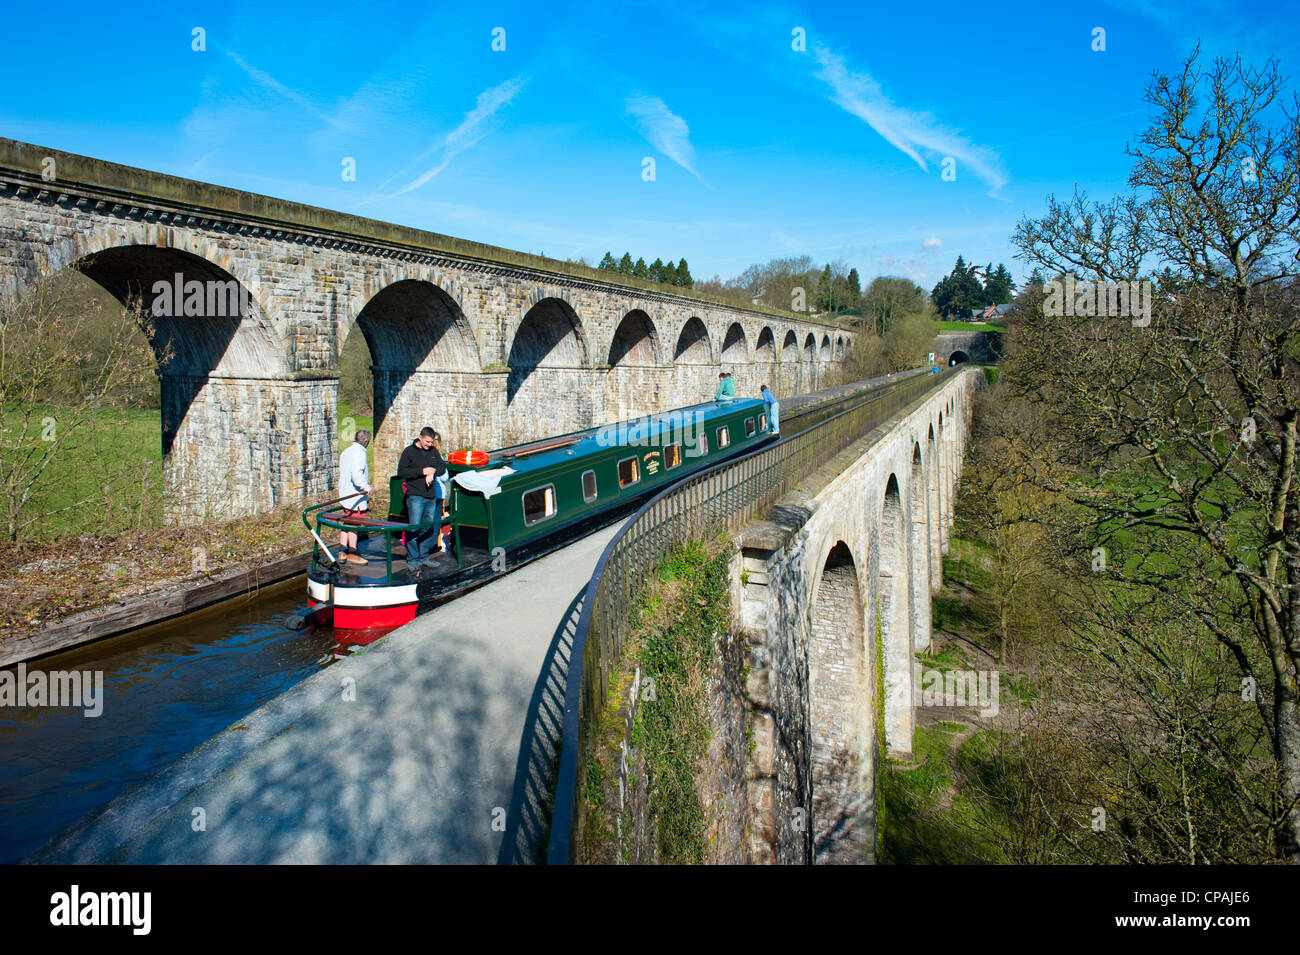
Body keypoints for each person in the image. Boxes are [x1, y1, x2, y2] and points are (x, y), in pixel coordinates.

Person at [396, 426, 447, 567]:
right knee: (414, 527)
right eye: (427, 442)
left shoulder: (433, 452)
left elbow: (442, 468)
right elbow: (401, 471)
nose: (429, 445)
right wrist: (422, 471)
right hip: (415, 496)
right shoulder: (409, 452)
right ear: (420, 438)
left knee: (427, 527)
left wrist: (432, 473)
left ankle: (424, 557)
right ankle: (412, 559)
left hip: (431, 495)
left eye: (431, 442)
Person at [338, 429, 373, 564]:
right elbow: (356, 475)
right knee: (355, 523)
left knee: (346, 522)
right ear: (366, 442)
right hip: (355, 497)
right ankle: (352, 552)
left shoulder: (347, 451)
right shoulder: (359, 453)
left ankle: (342, 551)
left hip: (345, 495)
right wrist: (366, 487)